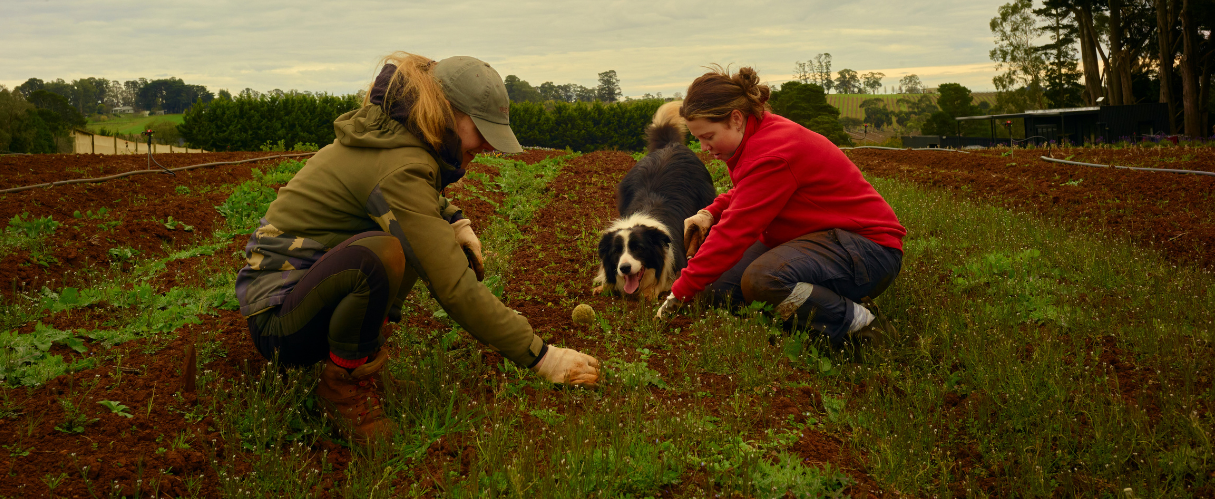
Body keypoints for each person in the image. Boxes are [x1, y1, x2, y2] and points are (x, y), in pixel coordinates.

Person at [236, 53, 600, 442]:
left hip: (301, 293)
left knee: (406, 243)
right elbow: (454, 287)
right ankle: (343, 382)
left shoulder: (395, 140)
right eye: (482, 129)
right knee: (380, 256)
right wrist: (542, 356)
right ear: (447, 112)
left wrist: (456, 222)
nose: (489, 147)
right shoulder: (400, 164)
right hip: (278, 319)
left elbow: (418, 199)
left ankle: (361, 355)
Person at [654, 66, 905, 349]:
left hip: (867, 250)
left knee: (765, 280)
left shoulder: (773, 152)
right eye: (698, 139)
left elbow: (734, 234)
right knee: (717, 288)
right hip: (821, 239)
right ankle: (814, 306)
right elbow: (748, 191)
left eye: (708, 137)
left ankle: (860, 324)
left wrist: (678, 293)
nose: (704, 147)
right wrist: (709, 212)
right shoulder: (756, 136)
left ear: (736, 119)